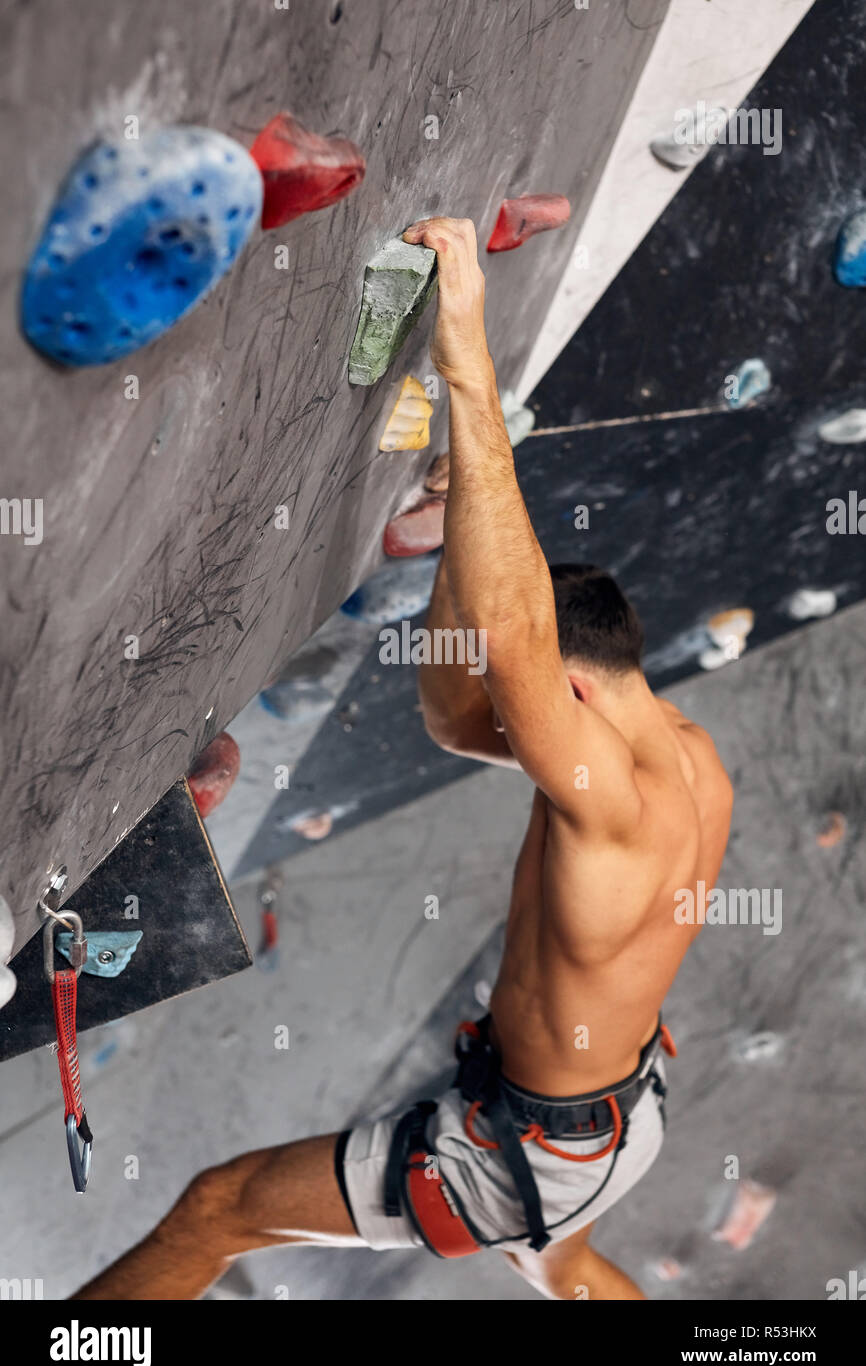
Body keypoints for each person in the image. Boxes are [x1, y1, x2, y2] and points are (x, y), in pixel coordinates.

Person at [73, 218, 732, 1303]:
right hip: (621, 1118)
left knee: (216, 1211)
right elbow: (457, 712)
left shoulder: (608, 796)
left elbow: (514, 649)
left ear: (567, 694)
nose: (509, 710)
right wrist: (447, 528)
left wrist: (464, 355)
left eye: (529, 700)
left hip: (520, 1153)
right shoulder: (679, 753)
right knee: (557, 1256)